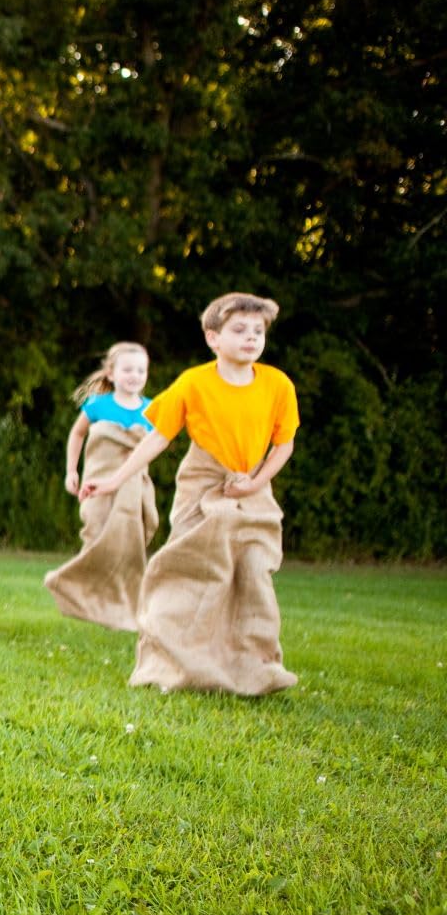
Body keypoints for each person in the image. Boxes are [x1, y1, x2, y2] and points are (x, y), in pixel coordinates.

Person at [81, 294, 300, 695]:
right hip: (202, 483)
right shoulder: (194, 383)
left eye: (258, 331)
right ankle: (167, 664)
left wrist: (254, 482)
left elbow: (284, 444)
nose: (251, 338)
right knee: (190, 570)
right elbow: (156, 439)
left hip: (253, 489)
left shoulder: (277, 385)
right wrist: (113, 481)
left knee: (253, 572)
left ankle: (255, 667)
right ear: (212, 338)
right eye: (239, 330)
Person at [44, 343, 158, 630]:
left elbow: (154, 446)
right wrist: (72, 471)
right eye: (128, 369)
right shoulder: (98, 405)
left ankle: (122, 605)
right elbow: (78, 434)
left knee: (127, 542)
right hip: (96, 484)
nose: (134, 375)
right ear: (111, 372)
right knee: (95, 532)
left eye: (141, 370)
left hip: (133, 488)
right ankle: (85, 596)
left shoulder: (152, 410)